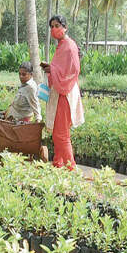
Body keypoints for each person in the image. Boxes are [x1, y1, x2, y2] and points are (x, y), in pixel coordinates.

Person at [40, 15, 84, 170]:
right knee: (57, 133)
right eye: (51, 26)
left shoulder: (69, 46)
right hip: (59, 92)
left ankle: (71, 168)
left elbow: (74, 70)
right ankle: (58, 164)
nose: (54, 29)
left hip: (65, 93)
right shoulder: (61, 45)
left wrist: (52, 69)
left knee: (61, 134)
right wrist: (51, 69)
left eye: (57, 25)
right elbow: (60, 68)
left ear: (65, 27)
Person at [0, 62, 49, 163]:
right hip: (11, 119)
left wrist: (38, 123)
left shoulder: (30, 88)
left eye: (24, 74)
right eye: (20, 74)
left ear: (31, 74)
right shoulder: (24, 85)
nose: (21, 77)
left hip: (17, 124)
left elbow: (36, 105)